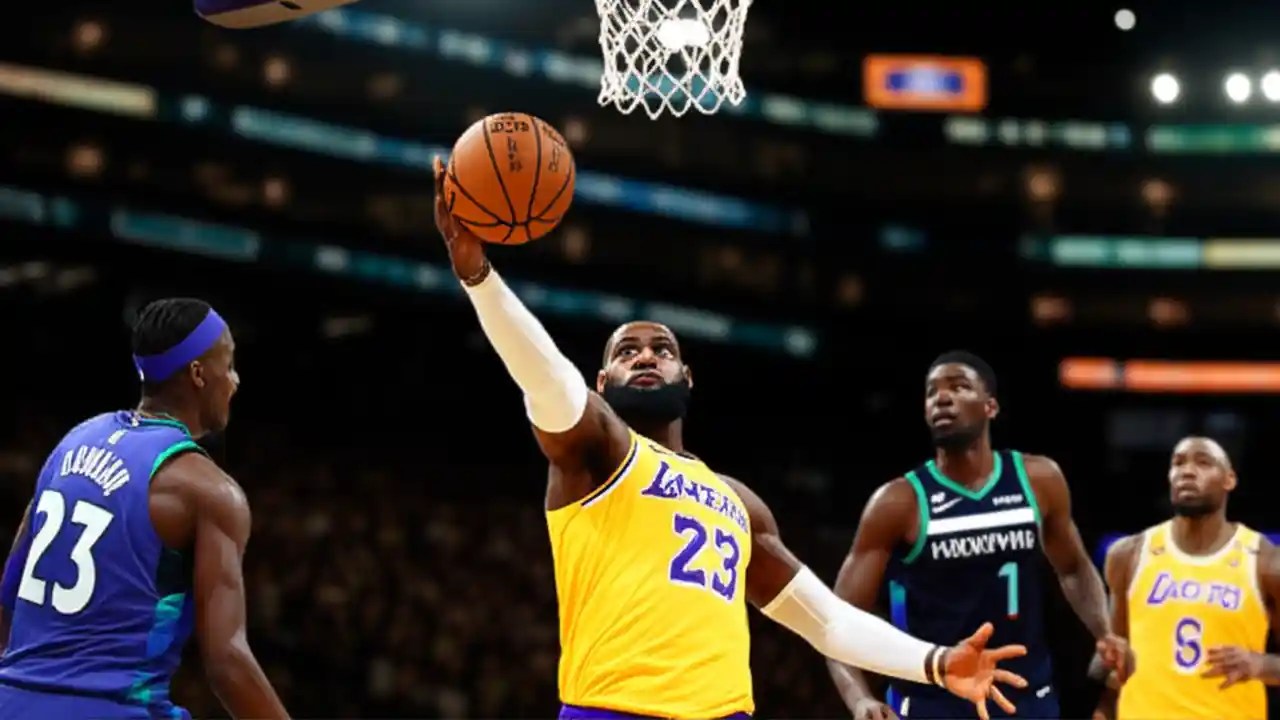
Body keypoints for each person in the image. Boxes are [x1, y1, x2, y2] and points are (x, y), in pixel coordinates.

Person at [431, 158, 1027, 720]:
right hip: (613, 709)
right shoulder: (599, 451)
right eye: (626, 351)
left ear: (686, 378)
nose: (646, 356)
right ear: (603, 381)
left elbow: (827, 622)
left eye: (663, 350)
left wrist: (936, 661)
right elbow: (546, 377)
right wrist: (479, 278)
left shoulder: (739, 503)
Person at [0, 298, 289, 720]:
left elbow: (9, 595)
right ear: (198, 374)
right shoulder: (207, 490)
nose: (235, 381)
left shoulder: (71, 444)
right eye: (228, 366)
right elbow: (226, 662)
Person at [827, 351, 1127, 719]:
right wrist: (859, 697)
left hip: (1028, 698)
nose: (942, 397)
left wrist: (1104, 631)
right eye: (932, 391)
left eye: (958, 386)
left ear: (991, 406)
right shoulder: (899, 502)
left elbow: (1074, 568)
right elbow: (838, 618)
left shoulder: (1039, 480)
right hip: (933, 703)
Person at [1092, 436, 1279, 720]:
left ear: (1229, 479)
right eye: (1178, 463)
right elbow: (1115, 660)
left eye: (1203, 462)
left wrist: (1260, 664)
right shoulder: (1129, 554)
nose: (1187, 471)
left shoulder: (1265, 562)